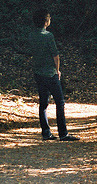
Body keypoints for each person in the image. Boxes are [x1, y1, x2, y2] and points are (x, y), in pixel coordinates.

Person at [27, 8, 79, 141]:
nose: (50, 20)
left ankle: (46, 132)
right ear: (45, 21)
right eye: (48, 18)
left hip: (38, 73)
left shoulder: (32, 35)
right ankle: (63, 133)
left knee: (43, 104)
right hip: (50, 73)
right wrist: (57, 70)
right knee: (60, 102)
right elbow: (56, 56)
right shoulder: (48, 36)